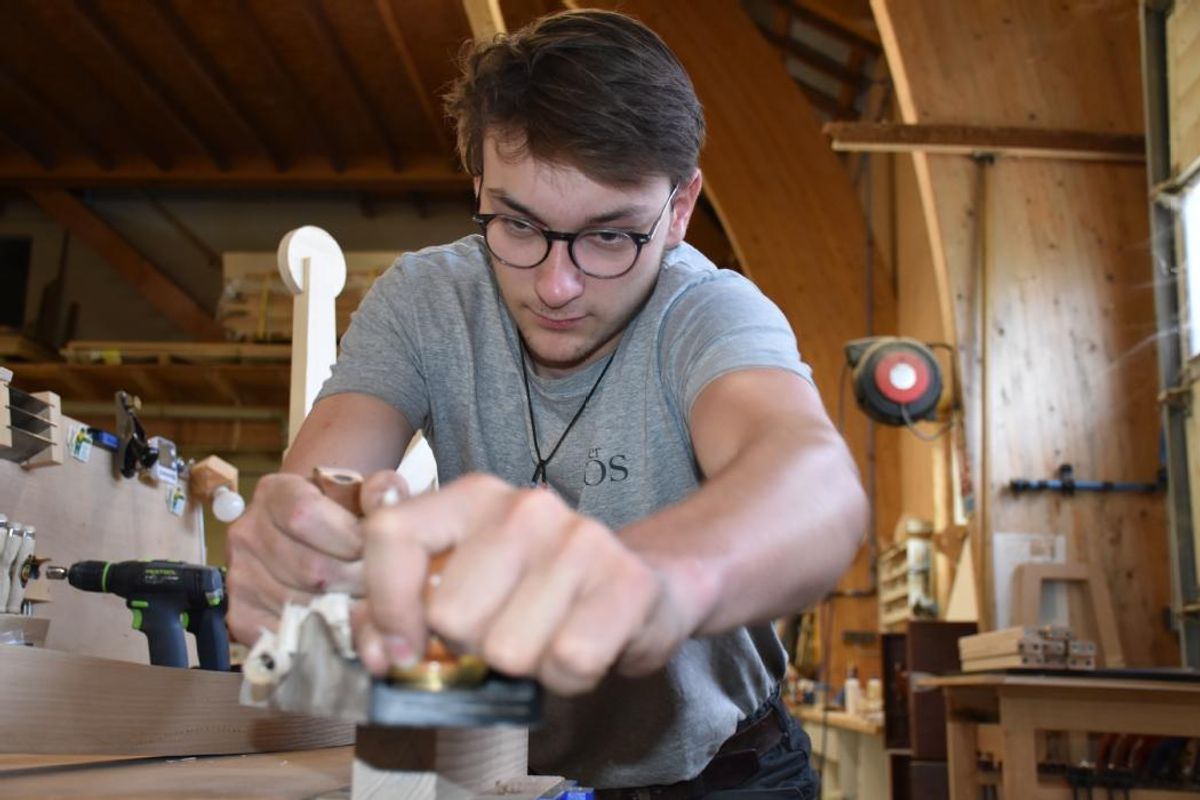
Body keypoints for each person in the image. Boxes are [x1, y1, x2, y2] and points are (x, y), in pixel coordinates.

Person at [226, 9, 866, 798]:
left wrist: (646, 579)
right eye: (519, 224)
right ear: (478, 186)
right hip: (506, 770)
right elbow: (322, 487)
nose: (557, 286)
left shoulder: (709, 312)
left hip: (724, 772)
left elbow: (816, 487)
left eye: (610, 236)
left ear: (679, 207)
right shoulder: (425, 302)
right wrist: (297, 550)